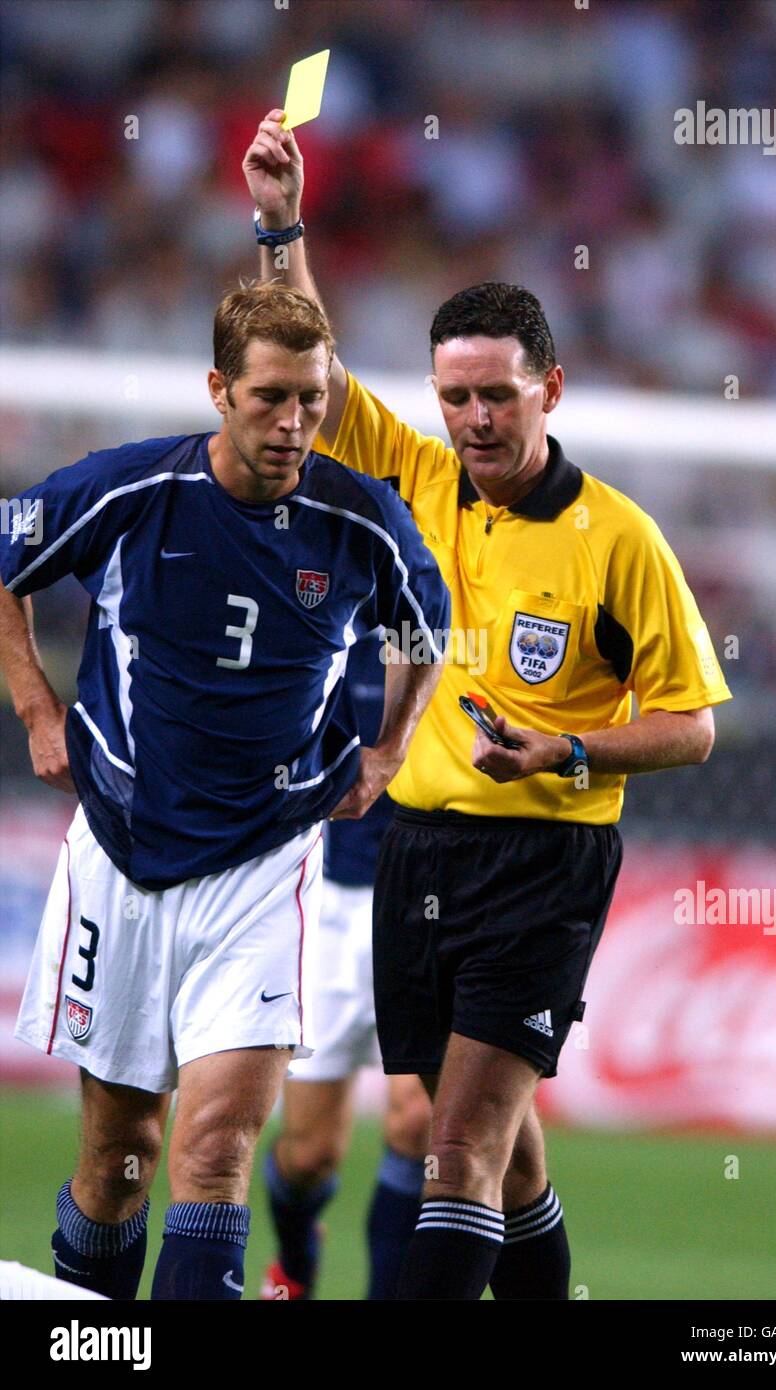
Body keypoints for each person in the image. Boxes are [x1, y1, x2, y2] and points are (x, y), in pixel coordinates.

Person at [243, 114, 732, 1302]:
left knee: (453, 1142)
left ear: (547, 388)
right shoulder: (421, 479)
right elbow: (315, 367)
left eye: (495, 398)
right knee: (506, 1161)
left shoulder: (617, 539)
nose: (472, 421)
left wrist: (567, 747)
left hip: (541, 860)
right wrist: (278, 227)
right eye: (453, 397)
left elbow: (693, 723)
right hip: (415, 849)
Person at [0, 279, 449, 1301]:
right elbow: (4, 554)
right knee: (120, 1157)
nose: (294, 423)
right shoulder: (129, 490)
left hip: (262, 866)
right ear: (218, 390)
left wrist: (386, 752)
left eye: (311, 399)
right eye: (269, 398)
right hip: (120, 853)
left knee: (213, 1149)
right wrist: (35, 707)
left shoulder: (359, 519)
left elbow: (430, 630)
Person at [261, 632, 431, 1302]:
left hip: (426, 900)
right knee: (309, 1154)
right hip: (325, 906)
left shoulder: (447, 611)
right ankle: (296, 1265)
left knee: (418, 1126)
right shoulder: (324, 601)